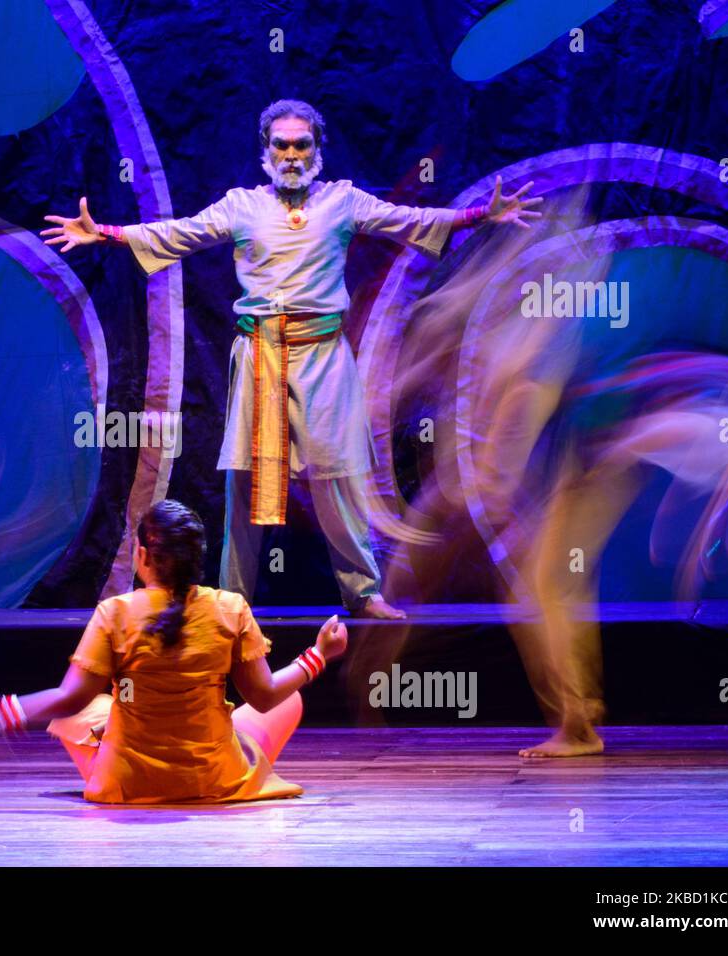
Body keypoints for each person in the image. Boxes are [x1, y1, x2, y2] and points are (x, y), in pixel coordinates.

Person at [41, 99, 541, 619]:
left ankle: (363, 594)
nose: (292, 154)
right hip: (261, 355)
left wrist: (481, 215)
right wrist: (106, 233)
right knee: (244, 481)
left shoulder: (342, 201)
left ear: (317, 149)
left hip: (323, 356)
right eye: (281, 144)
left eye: (302, 144)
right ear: (266, 150)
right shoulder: (241, 206)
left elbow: (410, 220)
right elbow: (180, 232)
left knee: (338, 476)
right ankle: (234, 599)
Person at [0, 499, 348, 803]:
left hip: (127, 783)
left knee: (88, 708)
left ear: (141, 555)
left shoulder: (115, 612)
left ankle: (129, 772)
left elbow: (70, 698)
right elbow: (264, 696)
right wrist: (318, 655)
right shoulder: (230, 608)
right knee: (289, 699)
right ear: (197, 558)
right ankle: (211, 771)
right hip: (214, 779)